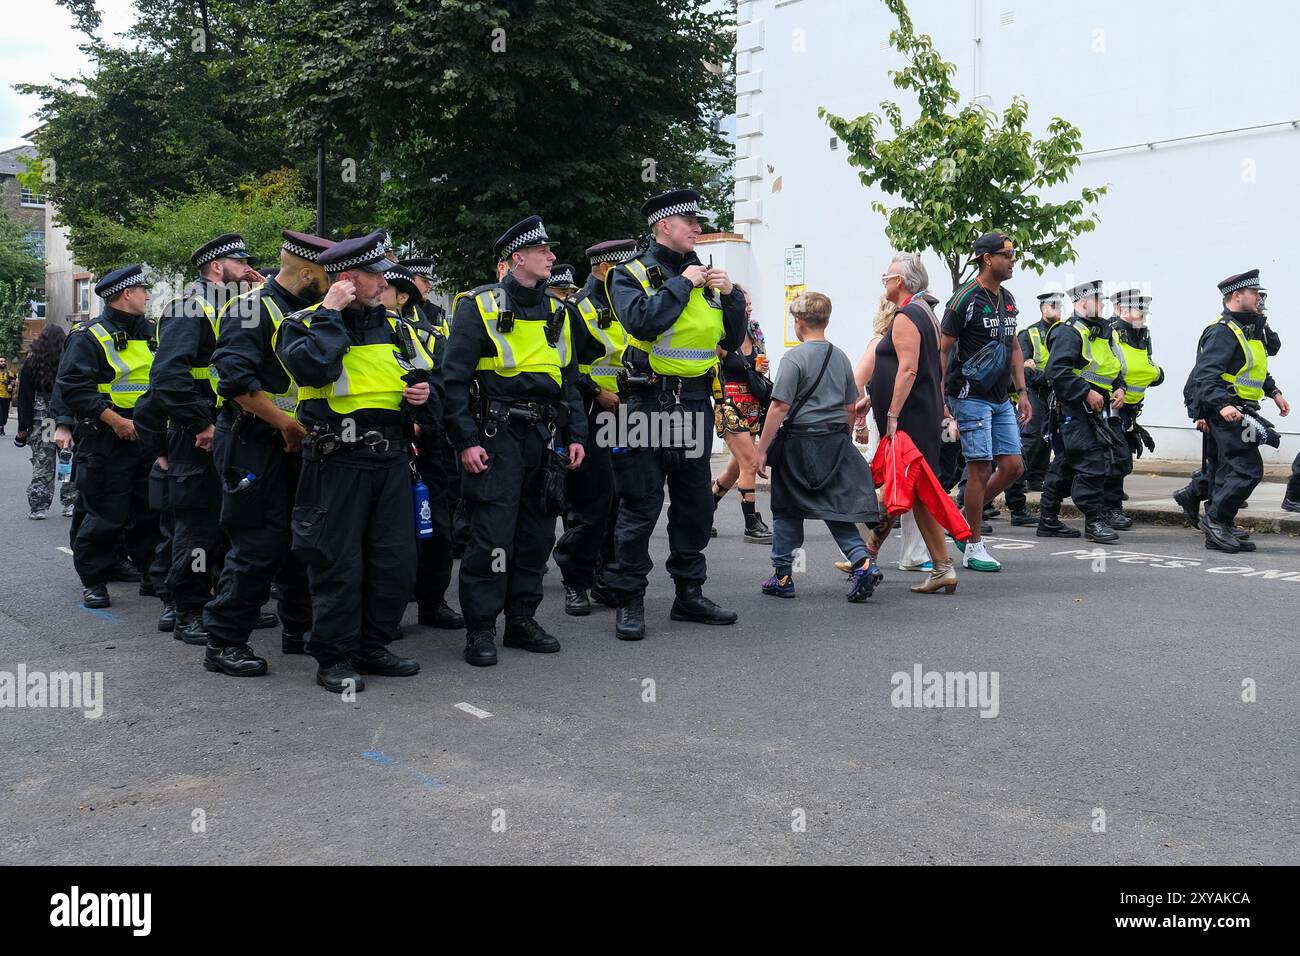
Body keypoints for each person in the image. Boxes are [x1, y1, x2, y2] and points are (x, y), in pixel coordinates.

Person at [277, 230, 438, 693]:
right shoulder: (304, 323)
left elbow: (430, 385)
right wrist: (329, 312)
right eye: (376, 276)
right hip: (336, 460)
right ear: (348, 278)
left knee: (393, 561)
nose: (385, 284)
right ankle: (335, 656)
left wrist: (422, 397)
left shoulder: (397, 326)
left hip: (389, 460)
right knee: (337, 562)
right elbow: (315, 368)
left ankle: (373, 645)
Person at [440, 216, 587, 666]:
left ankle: (521, 619)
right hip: (497, 434)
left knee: (536, 535)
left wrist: (575, 434)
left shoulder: (558, 312)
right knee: (491, 537)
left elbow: (568, 380)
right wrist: (465, 440)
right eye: (543, 251)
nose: (552, 257)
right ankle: (481, 629)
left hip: (542, 438)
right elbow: (453, 380)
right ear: (517, 258)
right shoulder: (478, 305)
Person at [605, 188, 747, 640]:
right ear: (664, 224)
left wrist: (731, 298)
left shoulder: (705, 278)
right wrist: (685, 282)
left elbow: (730, 339)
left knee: (693, 503)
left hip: (691, 402)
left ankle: (689, 594)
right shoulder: (628, 275)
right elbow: (643, 322)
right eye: (691, 222)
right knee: (641, 503)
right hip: (646, 401)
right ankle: (629, 599)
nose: (698, 230)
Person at [200, 230, 332, 677]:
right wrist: (287, 425)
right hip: (255, 441)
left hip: (299, 444)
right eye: (328, 273)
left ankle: (298, 630)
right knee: (259, 544)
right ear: (309, 272)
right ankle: (224, 642)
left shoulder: (310, 309)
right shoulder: (252, 307)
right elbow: (234, 382)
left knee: (303, 542)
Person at [150, 233, 256, 642]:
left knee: (225, 522)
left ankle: (212, 600)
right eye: (241, 262)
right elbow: (167, 378)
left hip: (222, 429)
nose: (249, 269)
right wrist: (201, 425)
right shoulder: (189, 307)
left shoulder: (230, 306)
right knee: (197, 528)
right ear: (218, 267)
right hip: (196, 433)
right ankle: (185, 610)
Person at [756, 291, 880, 600]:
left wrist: (761, 450)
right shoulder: (839, 357)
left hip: (799, 443)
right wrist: (843, 438)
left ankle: (783, 577)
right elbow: (851, 406)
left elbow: (779, 407)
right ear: (826, 320)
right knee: (835, 508)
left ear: (798, 322)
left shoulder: (794, 358)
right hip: (834, 441)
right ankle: (862, 562)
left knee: (787, 508)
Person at [51, 264, 162, 608]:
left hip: (148, 434)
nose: (148, 296)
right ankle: (95, 580)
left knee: (149, 510)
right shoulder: (89, 336)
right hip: (107, 435)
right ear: (126, 294)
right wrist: (114, 420)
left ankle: (151, 573)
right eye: (143, 291)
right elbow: (73, 387)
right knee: (105, 511)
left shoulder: (155, 331)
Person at [553, 239, 637, 615]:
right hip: (589, 411)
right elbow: (562, 366)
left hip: (626, 410)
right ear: (604, 268)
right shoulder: (577, 308)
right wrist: (596, 391)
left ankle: (607, 576)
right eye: (622, 267)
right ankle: (575, 581)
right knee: (590, 500)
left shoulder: (626, 303)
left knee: (622, 499)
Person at [940, 232, 1029, 572]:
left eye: (1013, 253)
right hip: (969, 396)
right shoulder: (963, 299)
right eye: (1007, 254)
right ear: (987, 258)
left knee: (1013, 467)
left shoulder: (1007, 298)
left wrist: (1022, 392)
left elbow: (1015, 346)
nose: (1012, 260)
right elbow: (943, 350)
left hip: (1000, 398)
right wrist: (942, 397)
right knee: (980, 468)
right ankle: (973, 545)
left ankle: (962, 518)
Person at [382, 263, 463, 632]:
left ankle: (433, 602)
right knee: (390, 535)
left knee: (437, 529)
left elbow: (442, 387)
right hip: (382, 445)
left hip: (427, 447)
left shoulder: (426, 337)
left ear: (402, 298)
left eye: (387, 290)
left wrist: (422, 423)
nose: (378, 294)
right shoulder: (353, 333)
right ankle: (388, 611)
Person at [869, 253, 957, 594]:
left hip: (909, 416)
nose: (885, 282)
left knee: (914, 490)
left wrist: (891, 414)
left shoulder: (907, 315)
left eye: (887, 277)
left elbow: (908, 369)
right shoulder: (925, 312)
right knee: (909, 489)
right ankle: (867, 552)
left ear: (901, 282)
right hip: (923, 412)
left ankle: (942, 566)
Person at [1188, 269, 1290, 552]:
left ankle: (1221, 523)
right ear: (1236, 296)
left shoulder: (1247, 330)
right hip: (1227, 412)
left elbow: (1254, 371)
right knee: (1247, 469)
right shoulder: (1222, 331)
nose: (1260, 298)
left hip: (1241, 409)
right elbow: (1205, 377)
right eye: (1255, 293)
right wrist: (1222, 406)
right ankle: (1217, 521)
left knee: (1232, 469)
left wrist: (1274, 392)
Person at [1036, 280, 1127, 543]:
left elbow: (1110, 367)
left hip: (1097, 408)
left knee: (1066, 463)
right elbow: (1058, 371)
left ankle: (1048, 520)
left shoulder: (1102, 331)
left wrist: (1119, 387)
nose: (1103, 305)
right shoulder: (1069, 332)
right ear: (1083, 302)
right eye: (1098, 300)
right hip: (1074, 407)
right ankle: (1094, 521)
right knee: (1091, 463)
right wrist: (1085, 392)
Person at [711, 286, 772, 542]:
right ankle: (751, 523)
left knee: (734, 470)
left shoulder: (754, 330)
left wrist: (762, 365)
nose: (747, 308)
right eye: (743, 304)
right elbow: (712, 367)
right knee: (749, 462)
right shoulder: (721, 334)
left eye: (749, 304)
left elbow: (761, 362)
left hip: (753, 405)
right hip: (729, 404)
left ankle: (702, 512)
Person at [1004, 291, 1065, 524]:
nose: (1057, 309)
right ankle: (1016, 504)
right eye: (1052, 305)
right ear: (1042, 308)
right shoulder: (1029, 334)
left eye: (1059, 305)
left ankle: (1036, 481)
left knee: (1046, 441)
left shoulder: (1063, 332)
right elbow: (1024, 369)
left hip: (1054, 395)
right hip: (1034, 394)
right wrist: (1046, 377)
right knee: (1028, 443)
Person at [1105, 289, 1165, 528]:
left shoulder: (1142, 334)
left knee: (1121, 458)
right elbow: (1112, 368)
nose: (1143, 315)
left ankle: (1107, 504)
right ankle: (1109, 509)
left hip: (1131, 409)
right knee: (1116, 458)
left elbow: (1148, 367)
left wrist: (1157, 374)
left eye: (1145, 311)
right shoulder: (1110, 332)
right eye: (1139, 310)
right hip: (1110, 407)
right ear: (1120, 309)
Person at [15, 325, 78, 519]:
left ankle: (38, 506)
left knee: (44, 462)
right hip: (66, 418)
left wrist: (23, 428)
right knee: (68, 461)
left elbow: (25, 398)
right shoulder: (69, 359)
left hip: (44, 421)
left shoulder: (32, 362)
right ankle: (70, 502)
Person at [0, 357, 14, 435]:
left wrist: (11, 385)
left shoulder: (9, 373)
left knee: (5, 414)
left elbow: (13, 381)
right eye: (1, 361)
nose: (3, 363)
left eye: (4, 361)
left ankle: (2, 427)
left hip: (7, 396)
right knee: (0, 414)